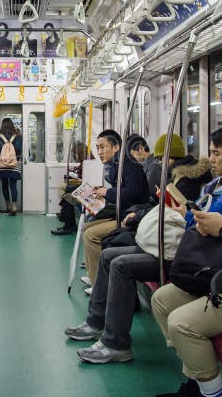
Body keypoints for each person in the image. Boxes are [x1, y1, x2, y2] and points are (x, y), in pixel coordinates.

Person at [64, 136, 212, 364]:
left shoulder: (188, 182)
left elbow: (167, 211)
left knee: (118, 261)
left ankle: (116, 344)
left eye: (164, 158)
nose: (160, 162)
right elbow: (156, 205)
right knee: (107, 255)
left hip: (174, 249)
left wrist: (135, 214)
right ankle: (95, 323)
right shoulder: (173, 175)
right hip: (158, 238)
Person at [151, 126, 222, 397]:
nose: (210, 158)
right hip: (203, 267)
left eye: (216, 153)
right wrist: (187, 213)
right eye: (209, 152)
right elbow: (198, 217)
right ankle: (199, 377)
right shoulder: (214, 185)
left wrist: (217, 225)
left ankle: (212, 392)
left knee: (180, 322)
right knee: (161, 300)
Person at [81, 129, 147, 288]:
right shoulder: (117, 165)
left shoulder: (129, 166)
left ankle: (99, 285)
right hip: (123, 212)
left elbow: (134, 193)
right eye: (97, 148)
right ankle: (92, 275)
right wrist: (102, 193)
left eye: (103, 147)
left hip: (132, 217)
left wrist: (108, 192)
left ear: (116, 147)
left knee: (91, 235)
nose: (99, 152)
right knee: (86, 227)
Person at [0, 117, 23, 215]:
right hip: (14, 165)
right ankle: (14, 206)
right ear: (12, 124)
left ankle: (7, 205)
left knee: (4, 185)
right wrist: (16, 159)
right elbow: (19, 151)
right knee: (13, 186)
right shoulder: (18, 136)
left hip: (1, 165)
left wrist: (1, 159)